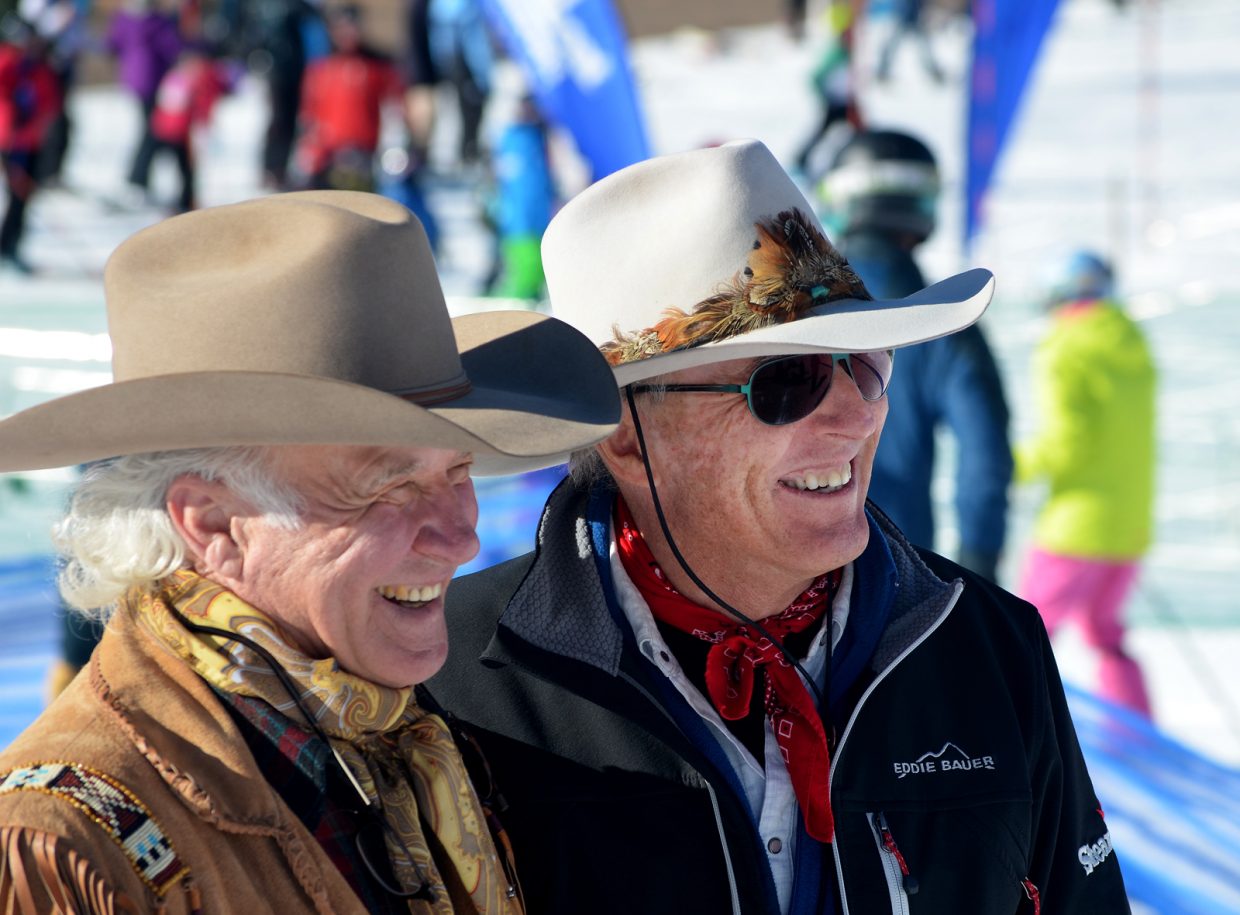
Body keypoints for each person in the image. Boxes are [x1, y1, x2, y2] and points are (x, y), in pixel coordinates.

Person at [429, 140, 1130, 913]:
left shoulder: (992, 648)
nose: (858, 413)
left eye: (864, 361)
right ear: (628, 435)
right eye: (787, 377)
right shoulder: (457, 683)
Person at [0, 190, 619, 912]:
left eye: (457, 472)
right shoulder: (70, 844)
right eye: (387, 489)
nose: (461, 537)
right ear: (214, 524)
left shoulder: (406, 736)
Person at [818, 128, 1013, 581]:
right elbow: (986, 458)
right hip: (900, 580)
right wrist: (979, 571)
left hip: (778, 582)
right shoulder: (947, 324)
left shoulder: (787, 314)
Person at [1016, 250, 1156, 718]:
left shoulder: (1065, 346)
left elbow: (1065, 444)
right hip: (1129, 526)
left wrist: (1007, 466)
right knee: (1106, 633)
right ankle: (1137, 739)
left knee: (1024, 631)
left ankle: (1009, 734)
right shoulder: (1131, 342)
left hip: (1076, 526)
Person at [294, 3, 403, 191]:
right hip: (327, 158)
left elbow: (394, 109)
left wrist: (393, 149)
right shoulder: (320, 69)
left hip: (363, 156)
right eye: (341, 27)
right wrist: (308, 155)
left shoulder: (376, 67)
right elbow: (308, 116)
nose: (347, 34)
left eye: (352, 27)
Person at [0, 13, 61, 274]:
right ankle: (8, 247)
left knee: (23, 195)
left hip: (32, 140)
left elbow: (51, 99)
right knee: (18, 194)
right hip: (12, 141)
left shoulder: (38, 65)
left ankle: (10, 246)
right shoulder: (8, 62)